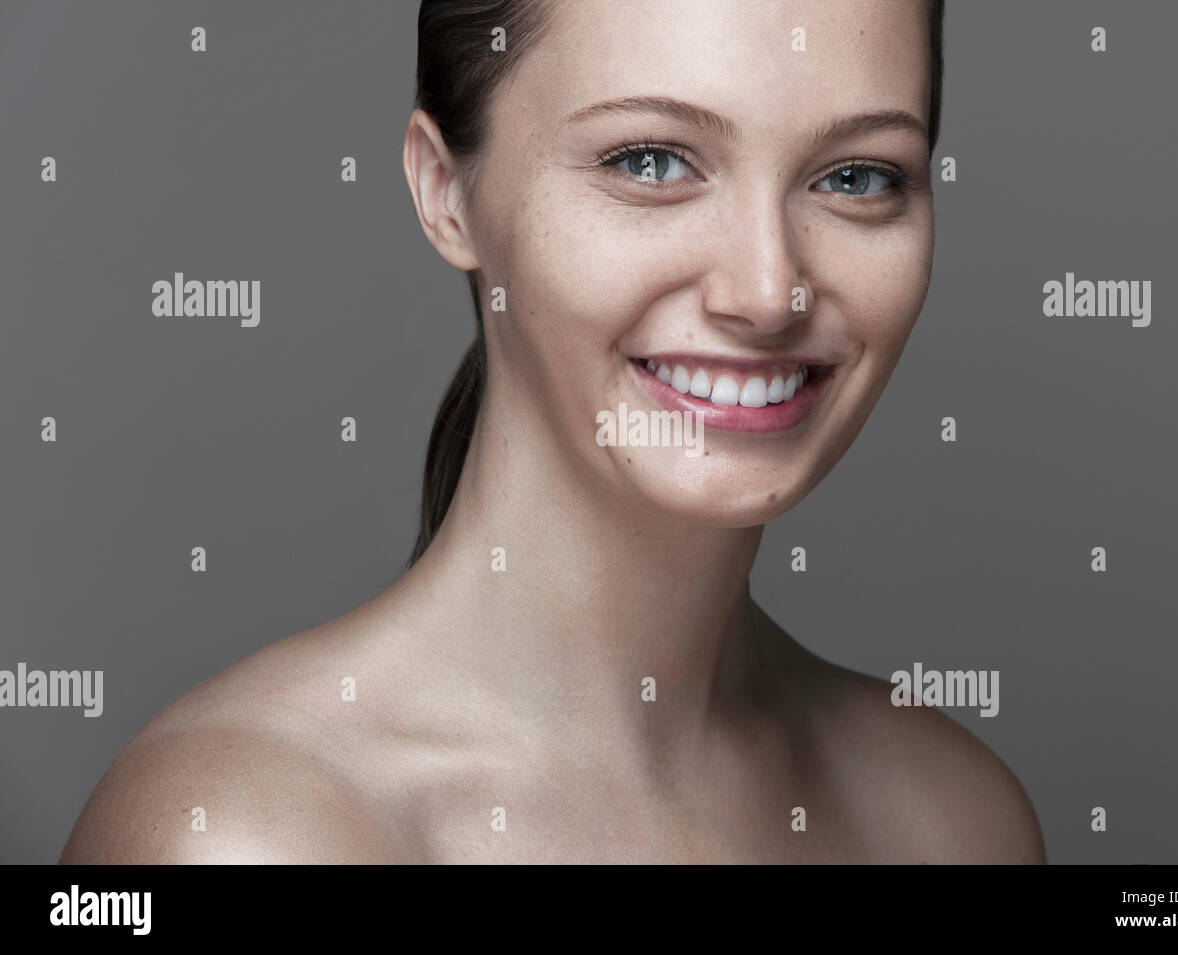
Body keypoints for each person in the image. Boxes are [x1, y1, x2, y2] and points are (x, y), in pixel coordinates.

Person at [61, 0, 1046, 864]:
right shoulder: (247, 834)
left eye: (856, 178)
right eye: (650, 160)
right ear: (447, 193)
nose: (767, 290)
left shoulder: (955, 821)